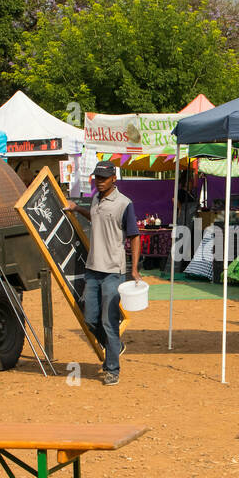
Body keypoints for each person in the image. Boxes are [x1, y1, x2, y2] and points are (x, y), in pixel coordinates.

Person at [66, 161, 140, 385]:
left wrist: (134, 269)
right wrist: (78, 209)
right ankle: (115, 346)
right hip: (92, 269)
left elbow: (134, 236)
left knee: (109, 322)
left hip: (113, 272)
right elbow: (96, 218)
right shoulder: (96, 199)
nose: (99, 181)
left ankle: (112, 369)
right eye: (97, 177)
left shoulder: (124, 204)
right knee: (89, 319)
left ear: (114, 179)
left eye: (104, 177)